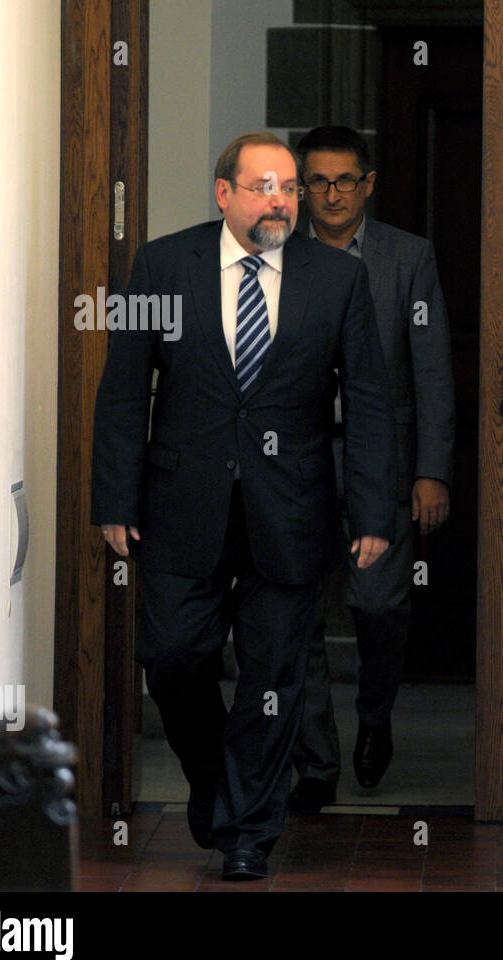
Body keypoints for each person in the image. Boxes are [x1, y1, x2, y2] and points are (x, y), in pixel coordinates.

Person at [90, 132, 396, 880]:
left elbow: (368, 401)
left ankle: (249, 833)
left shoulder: (336, 280)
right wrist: (113, 499)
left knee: (272, 678)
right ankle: (216, 784)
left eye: (289, 188)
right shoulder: (163, 264)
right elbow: (126, 389)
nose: (282, 201)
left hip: (290, 511)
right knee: (170, 656)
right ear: (223, 193)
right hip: (180, 504)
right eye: (264, 186)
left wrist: (374, 512)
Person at [287, 125, 455, 809]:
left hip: (382, 462)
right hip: (294, 461)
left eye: (344, 180)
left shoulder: (407, 258)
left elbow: (433, 369)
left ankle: (376, 713)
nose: (331, 194)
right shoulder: (278, 251)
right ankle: (317, 763)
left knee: (379, 603)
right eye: (317, 181)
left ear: (368, 183)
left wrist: (433, 469)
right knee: (295, 613)